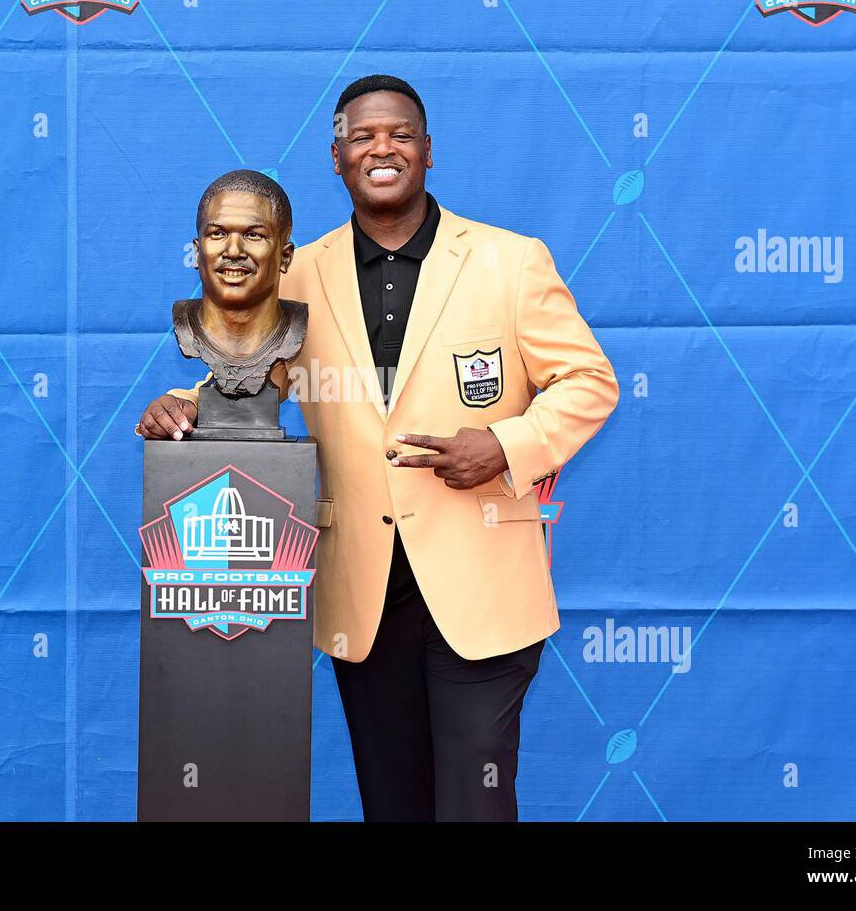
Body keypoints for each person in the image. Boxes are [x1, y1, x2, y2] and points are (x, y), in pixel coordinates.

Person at [138, 75, 619, 821]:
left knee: (473, 798)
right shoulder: (298, 271)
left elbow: (589, 381)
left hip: (483, 581)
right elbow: (251, 380)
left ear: (428, 152)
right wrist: (181, 406)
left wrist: (503, 442)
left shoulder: (510, 260)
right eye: (361, 137)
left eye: (398, 134)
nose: (381, 148)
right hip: (363, 589)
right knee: (392, 803)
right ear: (336, 158)